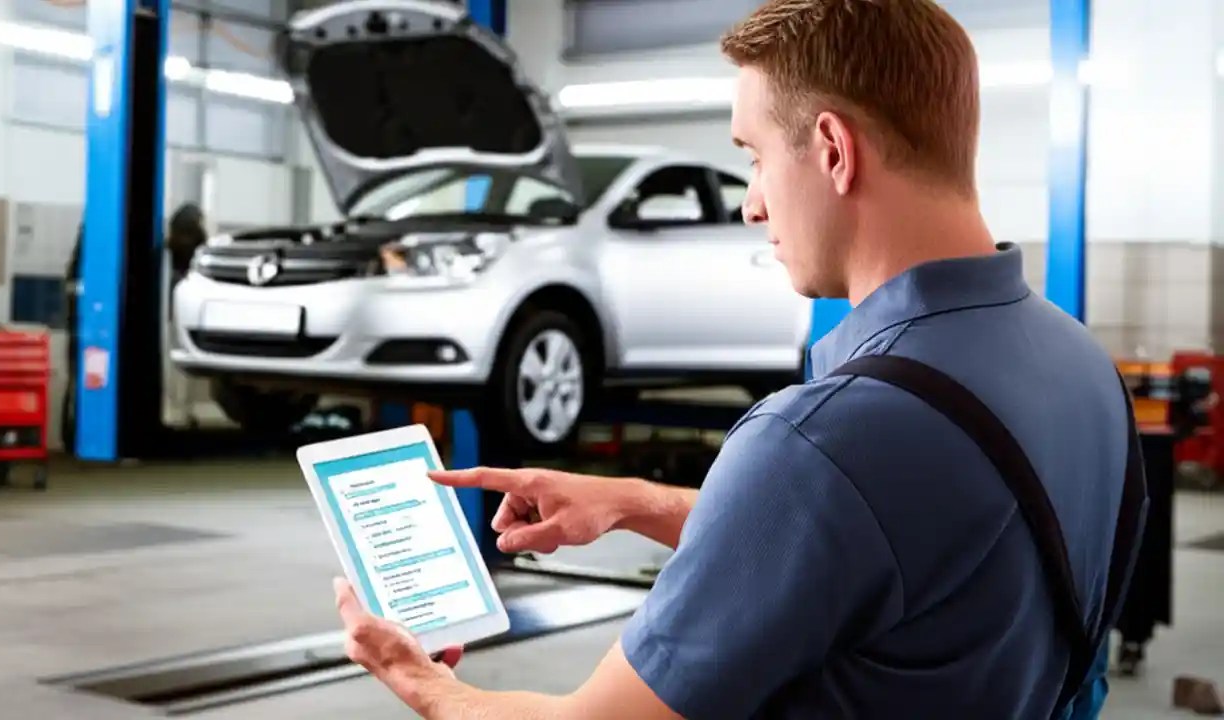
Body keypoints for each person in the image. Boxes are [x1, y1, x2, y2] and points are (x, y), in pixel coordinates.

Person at [332, 0, 1145, 717]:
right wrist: (633, 501)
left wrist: (418, 678)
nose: (751, 201)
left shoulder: (829, 439)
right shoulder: (1081, 368)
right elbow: (882, 545)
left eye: (753, 156)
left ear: (832, 149)